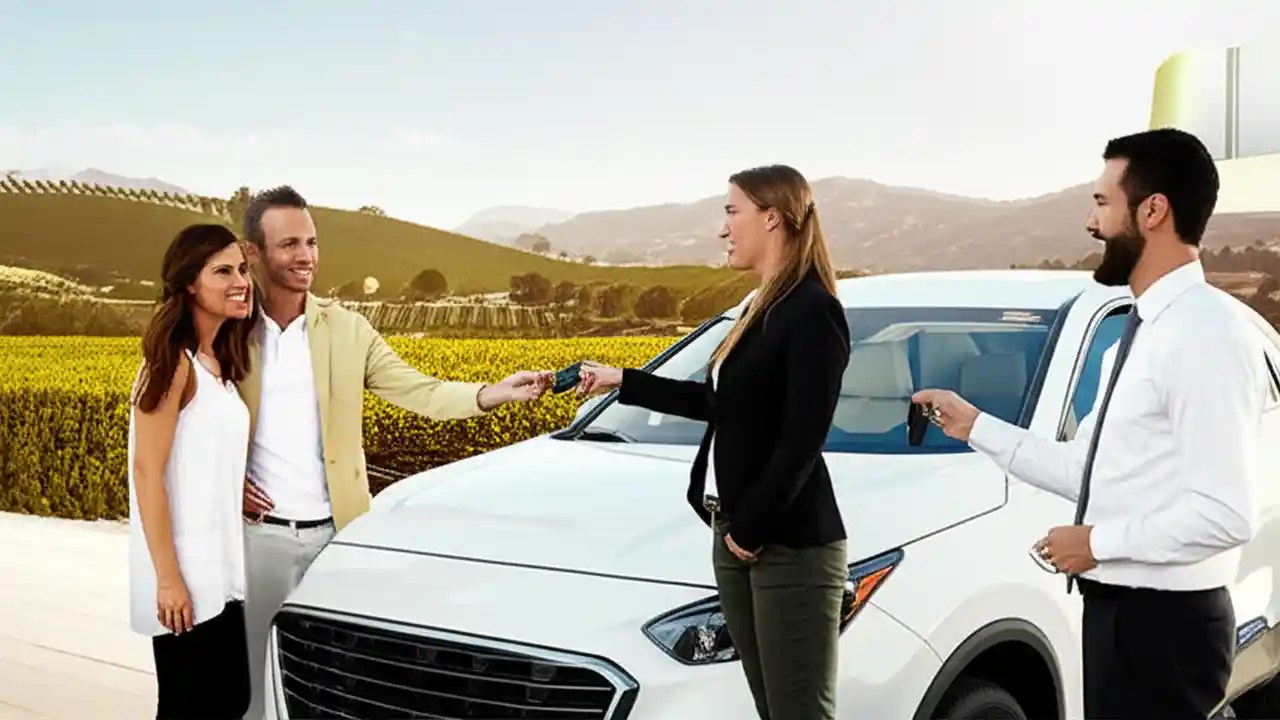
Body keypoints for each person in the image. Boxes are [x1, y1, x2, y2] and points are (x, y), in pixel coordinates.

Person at [913, 128, 1266, 719]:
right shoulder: (1137, 334)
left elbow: (1226, 513)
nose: (1090, 221)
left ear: (1154, 211)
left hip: (1166, 630)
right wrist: (975, 425)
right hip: (1121, 616)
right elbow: (1093, 470)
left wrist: (1096, 543)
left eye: (1102, 202)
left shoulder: (1207, 336)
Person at [234, 185, 554, 719]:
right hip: (255, 540)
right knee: (252, 690)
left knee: (338, 692)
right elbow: (183, 422)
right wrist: (221, 481)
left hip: (338, 538)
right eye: (289, 243)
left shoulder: (347, 329)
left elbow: (420, 390)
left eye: (311, 242)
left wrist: (489, 392)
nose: (306, 256)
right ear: (252, 252)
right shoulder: (227, 329)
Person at [577, 164, 851, 720]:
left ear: (772, 218)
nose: (723, 229)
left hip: (787, 546)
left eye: (732, 212)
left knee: (799, 713)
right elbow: (718, 405)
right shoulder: (759, 307)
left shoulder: (812, 310)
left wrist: (749, 532)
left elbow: (802, 438)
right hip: (737, 534)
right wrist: (622, 380)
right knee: (770, 709)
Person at [128, 223, 259, 719]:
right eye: (222, 271)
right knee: (192, 707)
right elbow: (147, 471)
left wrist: (232, 488)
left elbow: (198, 451)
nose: (240, 281)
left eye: (242, 269)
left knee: (227, 701)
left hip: (221, 567)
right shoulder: (172, 363)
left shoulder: (217, 364)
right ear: (188, 283)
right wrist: (167, 579)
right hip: (184, 570)